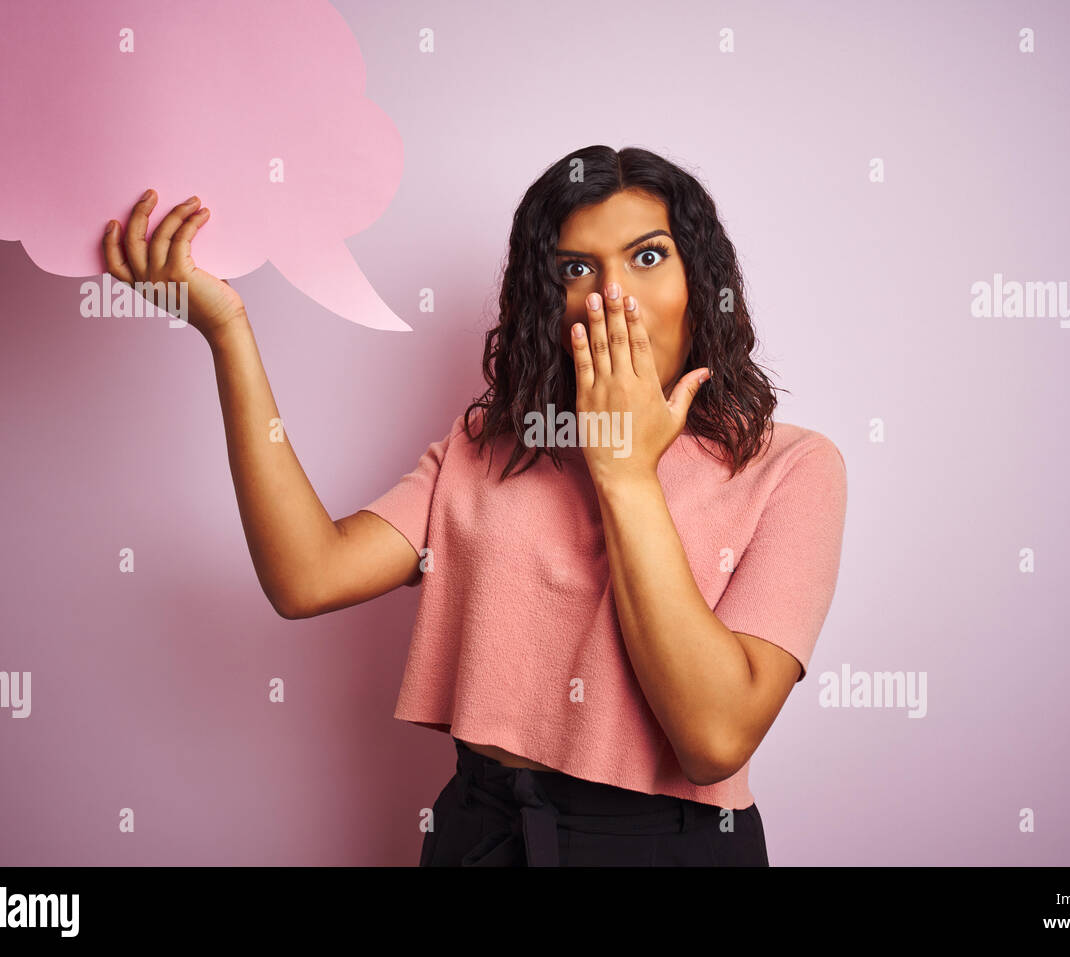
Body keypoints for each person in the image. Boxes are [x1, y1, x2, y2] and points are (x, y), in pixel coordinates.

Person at [101, 145, 848, 866]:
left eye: (648, 256)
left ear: (701, 280)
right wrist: (227, 333)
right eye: (577, 268)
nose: (611, 296)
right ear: (547, 300)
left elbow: (714, 738)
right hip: (486, 831)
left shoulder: (792, 466)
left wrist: (624, 470)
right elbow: (305, 575)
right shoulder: (489, 445)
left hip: (670, 842)